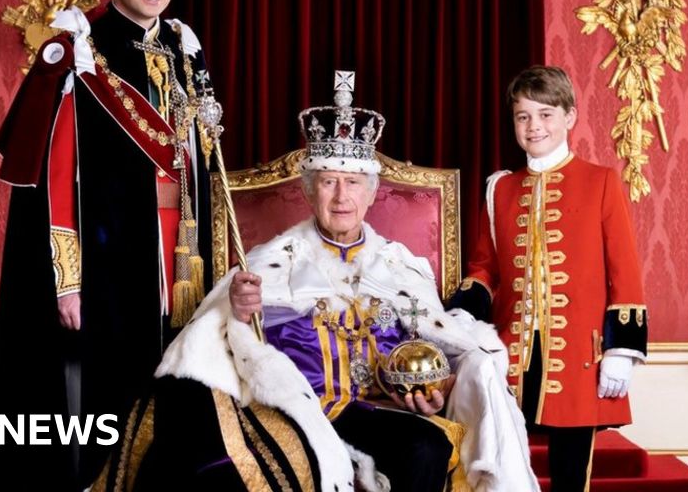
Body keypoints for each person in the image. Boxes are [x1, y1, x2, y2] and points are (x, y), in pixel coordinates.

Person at [98, 80, 540, 491]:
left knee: (426, 446)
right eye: (328, 182)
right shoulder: (272, 261)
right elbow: (218, 343)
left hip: (378, 410)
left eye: (352, 184)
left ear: (372, 194)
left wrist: (432, 391)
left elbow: (441, 345)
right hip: (296, 410)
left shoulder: (401, 266)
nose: (341, 197)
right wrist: (238, 311)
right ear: (309, 192)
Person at [0, 0, 215, 490]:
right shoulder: (81, 47)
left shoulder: (183, 48)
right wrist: (67, 280)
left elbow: (200, 168)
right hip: (111, 261)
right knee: (110, 406)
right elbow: (57, 174)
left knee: (175, 398)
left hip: (182, 258)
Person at [449, 65, 648, 492]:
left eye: (545, 114)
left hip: (579, 354)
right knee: (504, 466)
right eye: (523, 117)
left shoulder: (601, 181)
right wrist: (465, 312)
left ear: (570, 117)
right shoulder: (500, 189)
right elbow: (486, 266)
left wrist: (622, 349)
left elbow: (624, 269)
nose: (534, 126)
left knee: (571, 473)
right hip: (512, 352)